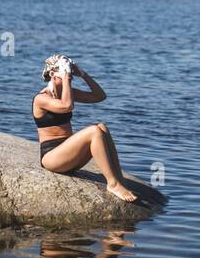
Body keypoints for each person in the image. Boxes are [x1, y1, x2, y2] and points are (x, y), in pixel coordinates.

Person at [32, 54, 136, 202]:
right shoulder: (41, 98)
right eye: (64, 73)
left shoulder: (68, 94)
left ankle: (119, 181)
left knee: (102, 128)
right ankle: (112, 184)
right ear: (52, 74)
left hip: (69, 155)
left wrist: (83, 74)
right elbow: (67, 106)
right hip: (52, 157)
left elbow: (100, 96)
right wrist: (66, 77)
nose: (69, 77)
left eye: (69, 74)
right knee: (94, 132)